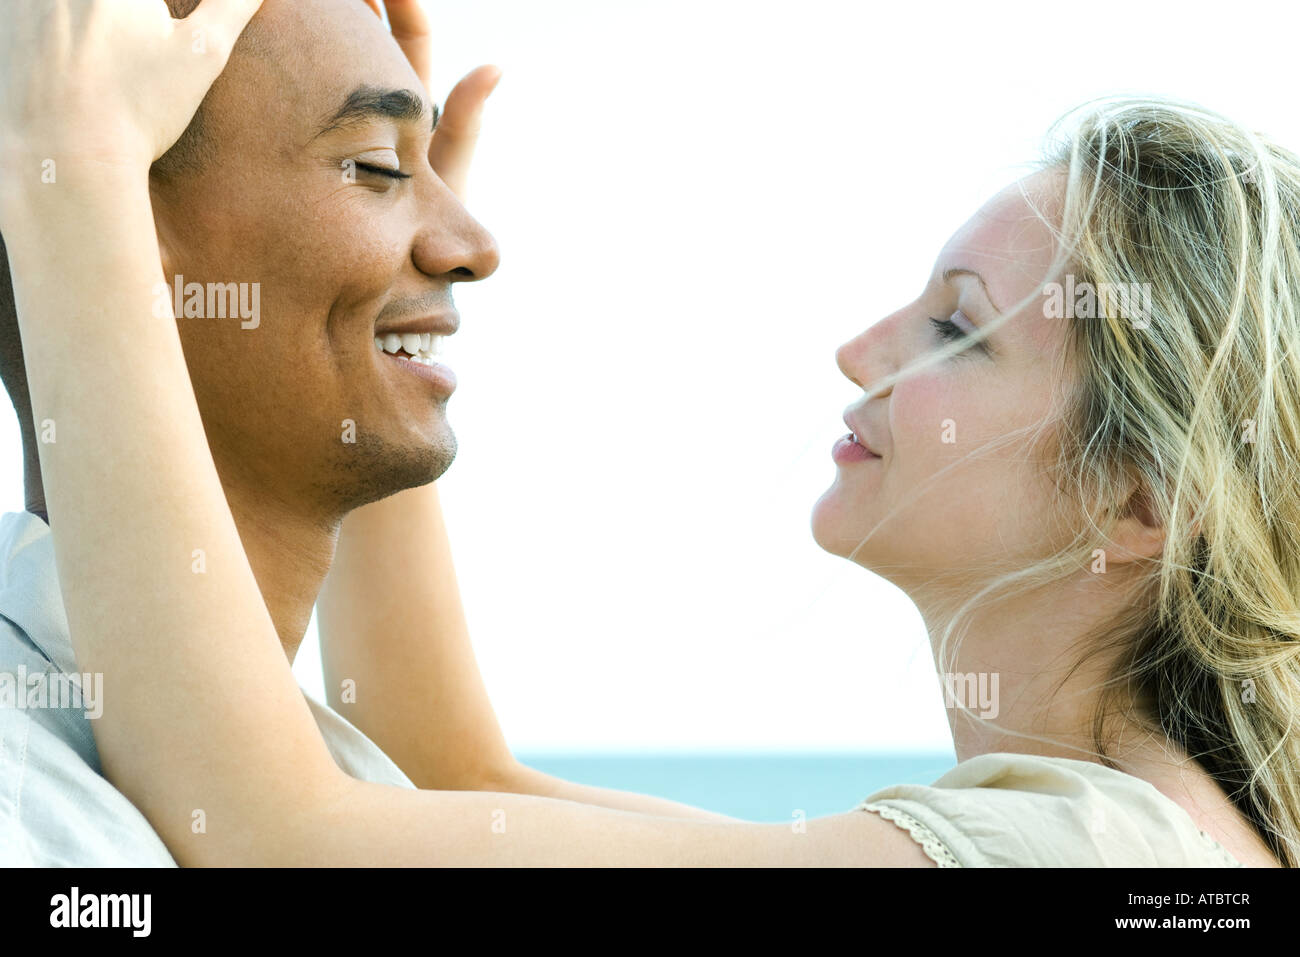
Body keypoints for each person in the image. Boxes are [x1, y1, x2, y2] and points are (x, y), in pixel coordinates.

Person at [1, 0, 1293, 867]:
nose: (860, 350)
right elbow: (447, 768)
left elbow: (278, 827)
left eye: (958, 328)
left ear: (1138, 503)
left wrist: (69, 161)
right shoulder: (1125, 826)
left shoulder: (1099, 851)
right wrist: (405, 293)